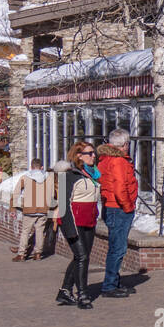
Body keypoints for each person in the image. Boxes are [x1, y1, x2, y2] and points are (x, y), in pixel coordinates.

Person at [54, 142, 100, 309]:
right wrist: (70, 229)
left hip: (89, 221)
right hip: (74, 222)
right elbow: (64, 205)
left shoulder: (92, 175)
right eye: (89, 153)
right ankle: (83, 294)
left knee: (81, 257)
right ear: (79, 156)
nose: (93, 156)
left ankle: (65, 290)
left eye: (94, 153)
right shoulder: (69, 175)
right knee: (82, 257)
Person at [97, 127, 138, 298]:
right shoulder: (119, 161)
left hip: (111, 206)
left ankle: (114, 281)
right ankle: (110, 285)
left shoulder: (105, 159)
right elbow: (121, 187)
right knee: (118, 248)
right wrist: (128, 206)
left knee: (116, 247)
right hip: (119, 208)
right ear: (123, 144)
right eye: (127, 143)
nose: (128, 146)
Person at [9, 156, 54, 262]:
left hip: (29, 208)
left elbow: (16, 192)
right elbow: (52, 194)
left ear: (31, 167)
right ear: (42, 167)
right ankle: (38, 253)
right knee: (39, 231)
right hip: (43, 209)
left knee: (25, 232)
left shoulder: (25, 177)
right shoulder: (49, 178)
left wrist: (13, 207)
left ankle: (21, 254)